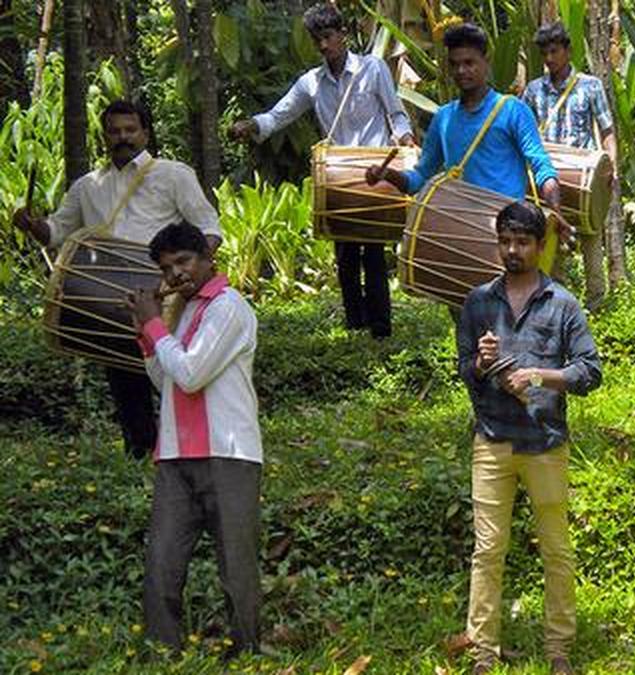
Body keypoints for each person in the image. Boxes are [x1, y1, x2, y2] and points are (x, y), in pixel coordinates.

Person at [12, 99, 222, 459]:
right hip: (109, 302)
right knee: (126, 382)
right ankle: (140, 453)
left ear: (145, 132)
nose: (123, 137)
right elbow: (56, 232)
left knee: (177, 376)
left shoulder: (174, 174)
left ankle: (197, 450)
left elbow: (209, 229)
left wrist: (186, 278)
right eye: (115, 131)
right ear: (105, 136)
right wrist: (33, 226)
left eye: (130, 129)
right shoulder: (87, 186)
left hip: (165, 295)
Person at [455, 201, 602, 675]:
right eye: (505, 242)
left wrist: (539, 376)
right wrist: (480, 364)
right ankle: (482, 652)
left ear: (541, 246)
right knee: (487, 550)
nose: (512, 251)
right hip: (492, 440)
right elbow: (464, 370)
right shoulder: (479, 302)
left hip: (545, 442)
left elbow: (590, 371)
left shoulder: (562, 303)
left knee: (556, 550)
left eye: (522, 242)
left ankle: (558, 650)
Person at [231, 3, 414, 339]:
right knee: (345, 253)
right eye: (318, 39)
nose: (324, 45)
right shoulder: (310, 83)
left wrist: (404, 137)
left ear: (343, 34)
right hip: (337, 175)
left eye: (328, 36)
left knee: (372, 252)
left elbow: (396, 113)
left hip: (373, 171)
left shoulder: (373, 69)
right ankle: (354, 324)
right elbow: (278, 116)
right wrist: (251, 126)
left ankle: (380, 328)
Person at [126, 221, 262, 658]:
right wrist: (149, 338)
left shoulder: (228, 306)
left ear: (208, 258)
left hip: (229, 452)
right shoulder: (182, 313)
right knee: (162, 560)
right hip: (176, 454)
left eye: (184, 261)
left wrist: (155, 326)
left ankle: (245, 652)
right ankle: (163, 651)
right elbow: (165, 377)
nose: (176, 275)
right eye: (167, 269)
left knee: (236, 564)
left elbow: (190, 374)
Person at [366, 23, 564, 235]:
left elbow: (541, 166)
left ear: (486, 62)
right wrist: (388, 174)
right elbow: (419, 178)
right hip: (462, 230)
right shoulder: (443, 118)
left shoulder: (513, 111)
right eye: (455, 64)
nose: (461, 71)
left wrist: (555, 211)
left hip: (508, 231)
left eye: (469, 63)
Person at [521, 21, 619, 308]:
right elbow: (522, 130)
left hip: (584, 175)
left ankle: (597, 303)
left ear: (567, 50)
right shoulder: (533, 90)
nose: (549, 59)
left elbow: (607, 130)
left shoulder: (590, 86)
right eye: (545, 54)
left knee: (590, 237)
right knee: (550, 238)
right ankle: (555, 302)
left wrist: (611, 163)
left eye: (554, 51)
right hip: (546, 177)